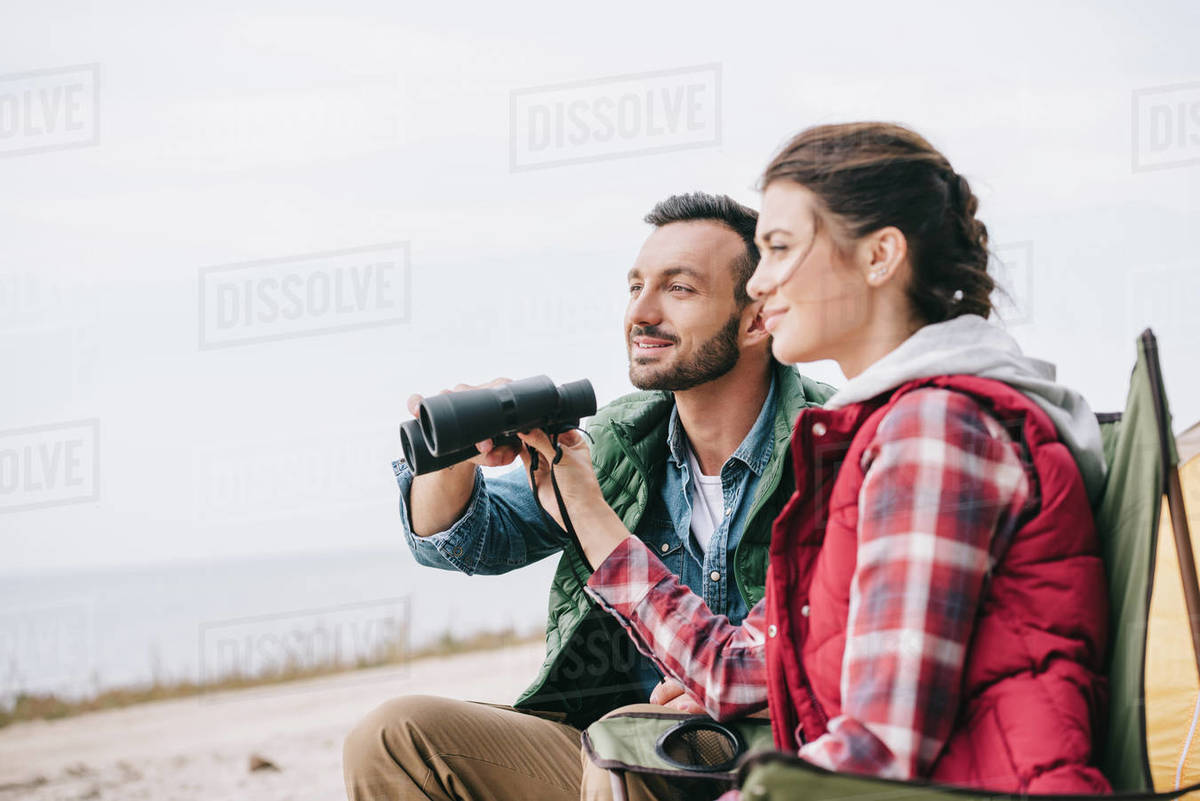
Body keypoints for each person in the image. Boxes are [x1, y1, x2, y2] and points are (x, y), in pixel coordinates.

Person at [519, 123, 1112, 796]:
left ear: (880, 256)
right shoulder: (883, 433)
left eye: (778, 248)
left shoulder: (933, 434)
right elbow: (736, 670)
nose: (760, 283)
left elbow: (879, 750)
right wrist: (586, 508)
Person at [343, 192, 836, 801]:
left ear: (758, 318)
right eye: (636, 287)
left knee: (625, 746)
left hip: (779, 754)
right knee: (395, 735)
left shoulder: (833, 445)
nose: (642, 313)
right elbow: (465, 544)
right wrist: (458, 454)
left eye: (679, 289)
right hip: (620, 752)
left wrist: (738, 695)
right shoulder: (621, 442)